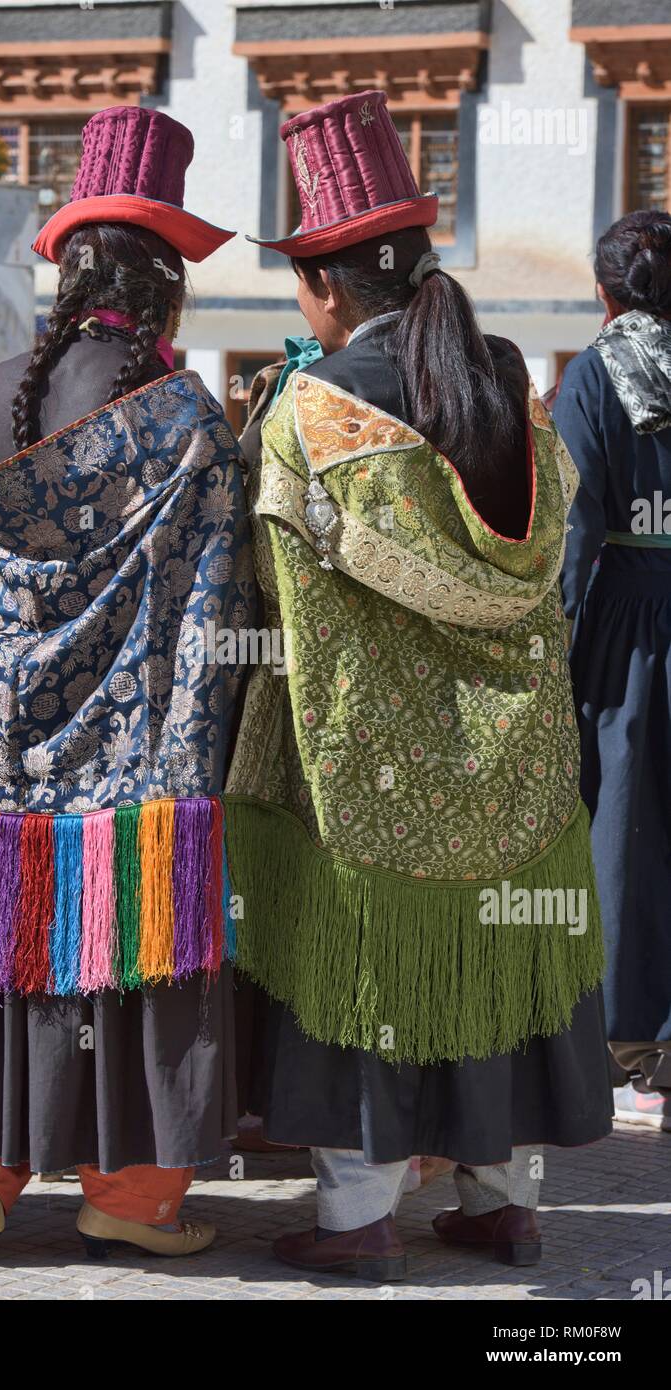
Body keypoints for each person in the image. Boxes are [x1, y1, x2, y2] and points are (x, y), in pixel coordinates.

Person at [226, 90, 613, 1282]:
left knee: (371, 976)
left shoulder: (308, 411)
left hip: (371, 765)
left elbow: (271, 589)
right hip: (518, 766)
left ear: (330, 286)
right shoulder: (506, 384)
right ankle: (506, 1204)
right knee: (497, 965)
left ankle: (355, 1222)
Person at [0, 105, 255, 1263]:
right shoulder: (187, 419)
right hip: (131, 772)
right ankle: (129, 1194)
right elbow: (218, 606)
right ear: (161, 291)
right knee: (128, 952)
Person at [554, 211, 671, 1130]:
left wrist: (546, 634)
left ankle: (633, 1053)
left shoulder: (592, 376)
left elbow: (571, 521)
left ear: (604, 293)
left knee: (622, 825)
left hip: (627, 620)